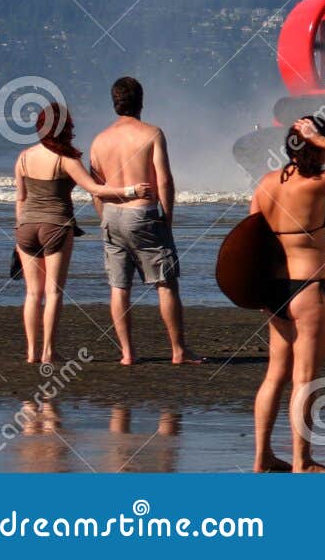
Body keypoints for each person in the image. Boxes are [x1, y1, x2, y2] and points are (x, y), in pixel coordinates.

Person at [249, 116, 325, 473]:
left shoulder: (266, 184)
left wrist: (257, 291)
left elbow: (251, 240)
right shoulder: (315, 184)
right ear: (315, 147)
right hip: (309, 288)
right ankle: (302, 462)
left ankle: (262, 458)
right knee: (304, 377)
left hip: (274, 288)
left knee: (274, 375)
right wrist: (320, 139)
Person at [14, 102, 152, 365]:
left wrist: (18, 231)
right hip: (56, 226)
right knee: (53, 292)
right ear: (64, 127)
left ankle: (31, 352)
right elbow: (95, 190)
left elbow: (20, 198)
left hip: (25, 228)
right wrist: (132, 191)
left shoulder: (23, 157)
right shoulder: (66, 159)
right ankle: (48, 352)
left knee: (32, 293)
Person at [88, 77, 200, 366]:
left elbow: (96, 189)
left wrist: (104, 218)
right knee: (165, 282)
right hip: (143, 214)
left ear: (115, 102)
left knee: (119, 286)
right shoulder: (151, 133)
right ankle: (178, 350)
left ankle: (127, 353)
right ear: (141, 101)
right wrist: (167, 217)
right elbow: (164, 179)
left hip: (111, 215)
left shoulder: (99, 140)